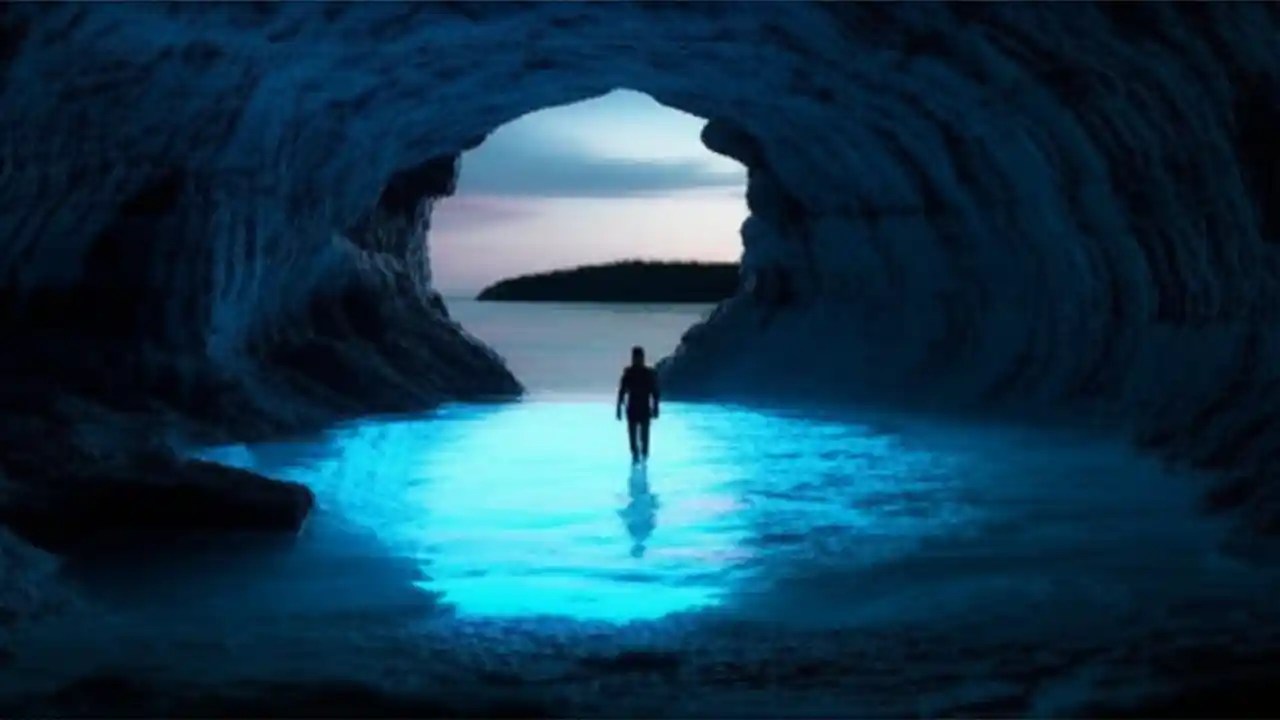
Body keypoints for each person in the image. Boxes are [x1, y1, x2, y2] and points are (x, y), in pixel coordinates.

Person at [616, 345, 660, 463]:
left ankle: (644, 459)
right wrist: (618, 409)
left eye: (639, 357)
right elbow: (622, 391)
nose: (637, 360)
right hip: (633, 409)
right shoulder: (628, 373)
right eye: (635, 357)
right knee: (632, 438)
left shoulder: (648, 373)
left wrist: (656, 408)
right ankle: (635, 457)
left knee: (644, 438)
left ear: (642, 358)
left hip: (644, 409)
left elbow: (655, 392)